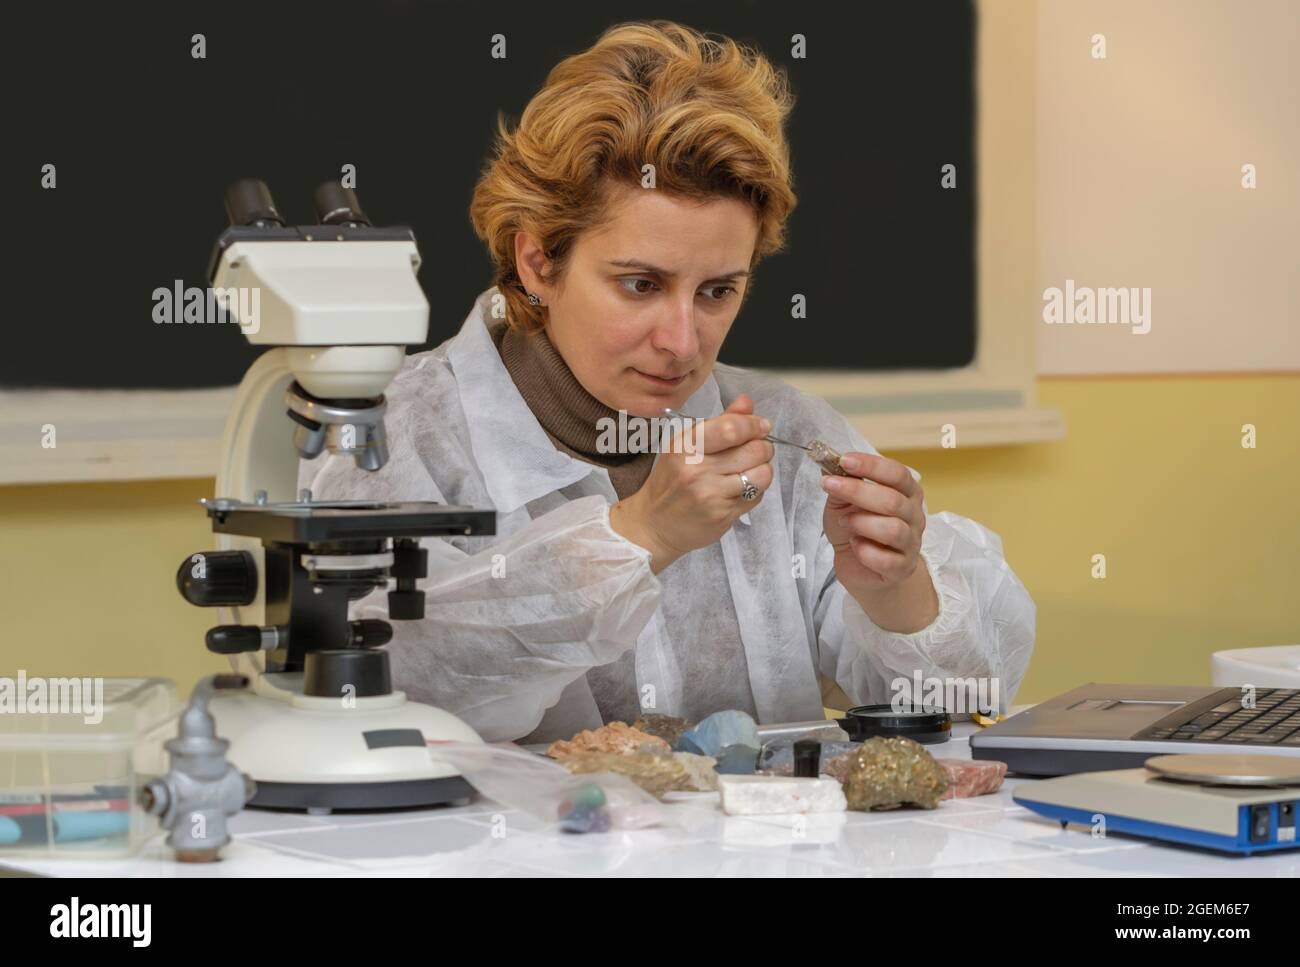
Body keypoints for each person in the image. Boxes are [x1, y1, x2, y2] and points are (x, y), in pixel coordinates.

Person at [300, 20, 1035, 743]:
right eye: (641, 284)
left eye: (718, 291)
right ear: (536, 263)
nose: (683, 342)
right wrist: (642, 533)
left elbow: (967, 703)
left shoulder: (790, 432)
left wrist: (894, 587)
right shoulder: (394, 435)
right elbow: (392, 686)